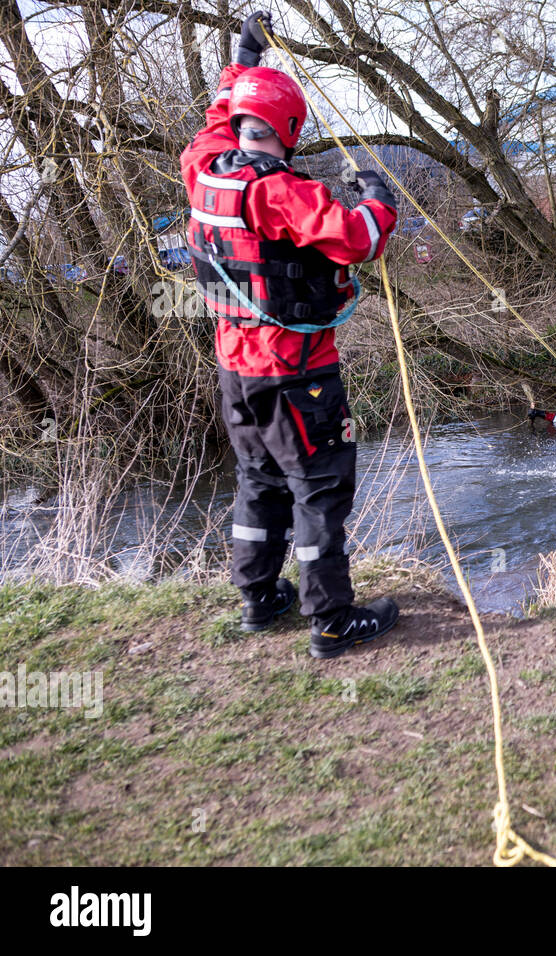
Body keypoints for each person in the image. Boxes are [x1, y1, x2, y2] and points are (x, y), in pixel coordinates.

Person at [181, 11, 400, 659]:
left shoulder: (202, 168)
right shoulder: (277, 192)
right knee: (320, 483)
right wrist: (378, 196)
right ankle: (332, 618)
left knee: (259, 478)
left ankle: (258, 598)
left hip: (236, 370)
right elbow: (360, 238)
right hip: (295, 373)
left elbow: (221, 117)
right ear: (291, 129)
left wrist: (242, 60)